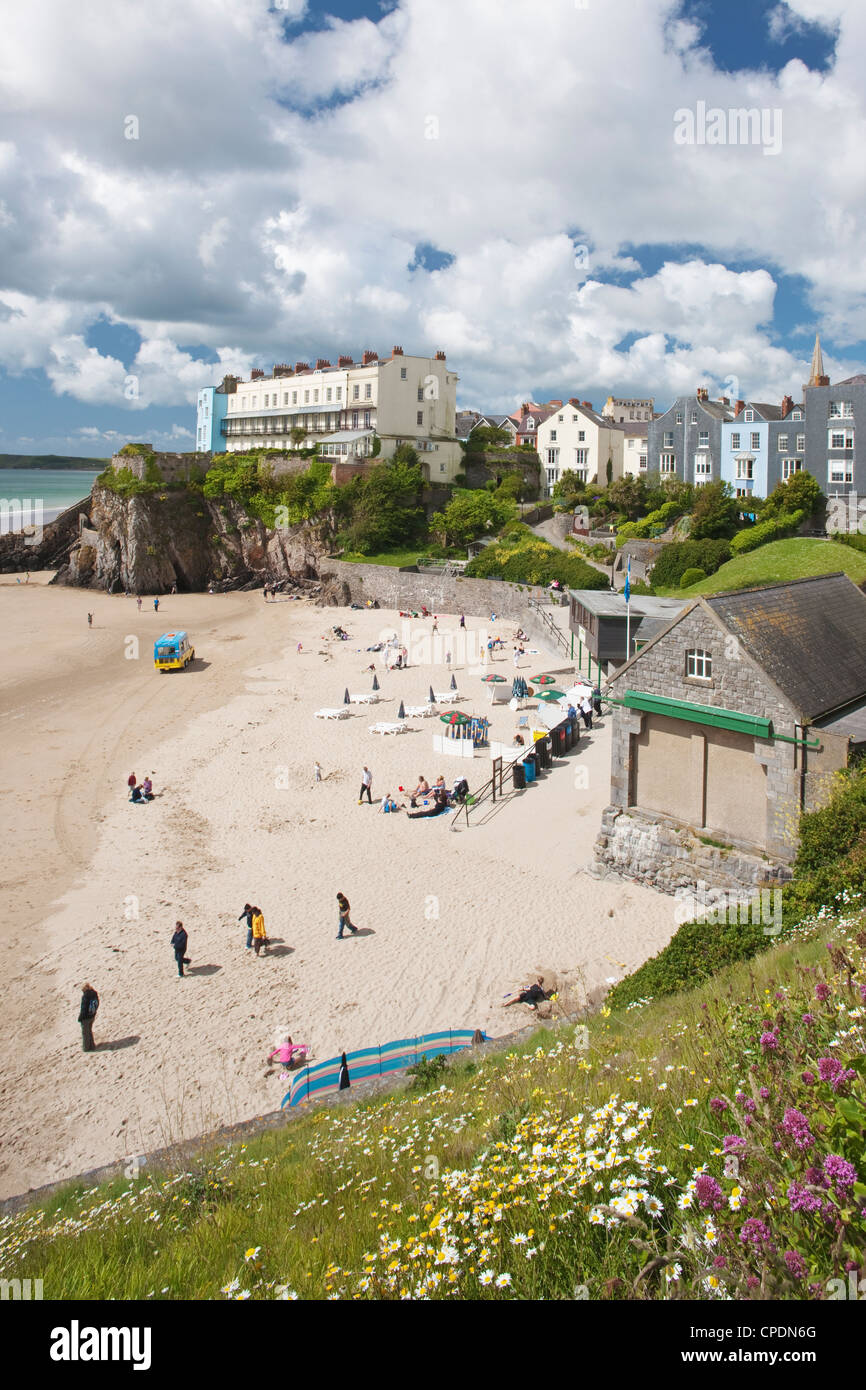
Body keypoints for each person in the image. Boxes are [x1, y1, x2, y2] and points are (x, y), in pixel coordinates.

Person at [78, 982, 99, 1052]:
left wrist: (80, 1018)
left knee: (85, 1033)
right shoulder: (94, 993)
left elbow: (84, 1008)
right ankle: (92, 1046)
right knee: (89, 1031)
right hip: (92, 1016)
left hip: (86, 1017)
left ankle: (86, 1048)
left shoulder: (85, 996)